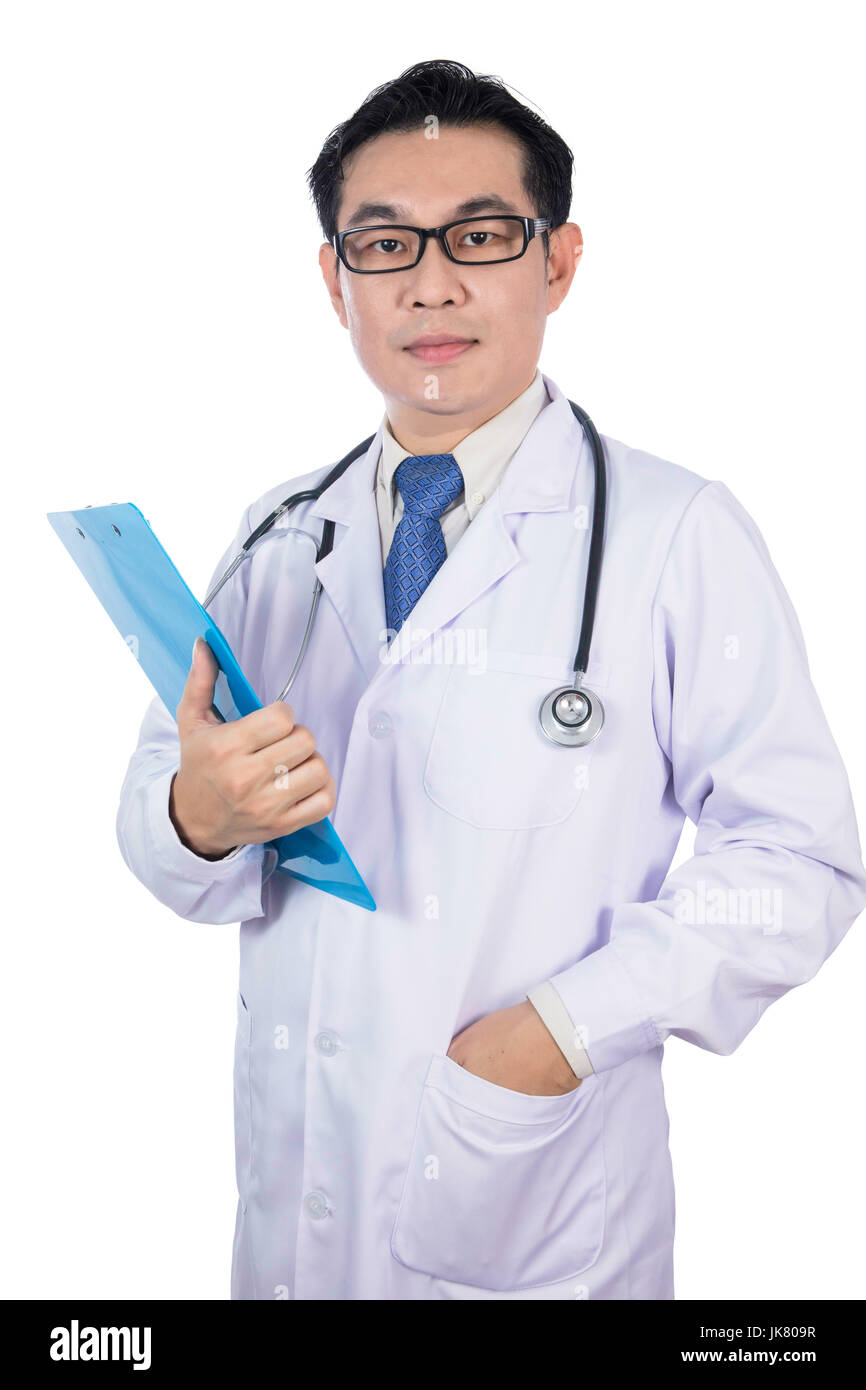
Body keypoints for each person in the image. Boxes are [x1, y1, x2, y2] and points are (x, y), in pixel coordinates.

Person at [116, 58, 866, 1300]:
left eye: (478, 234)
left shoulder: (671, 531)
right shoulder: (273, 534)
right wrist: (201, 818)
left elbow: (799, 862)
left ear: (556, 263)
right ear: (331, 279)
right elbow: (157, 820)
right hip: (291, 1217)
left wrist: (555, 1035)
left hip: (532, 1208)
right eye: (382, 244)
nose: (429, 282)